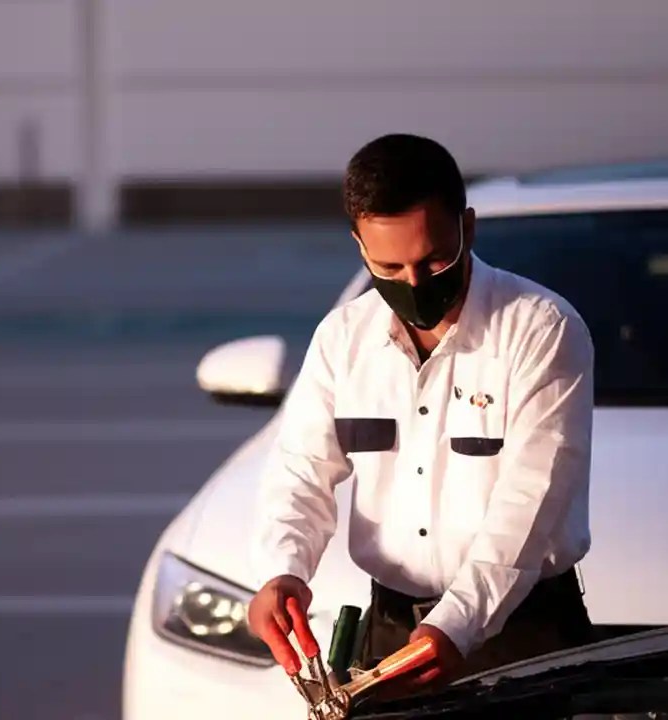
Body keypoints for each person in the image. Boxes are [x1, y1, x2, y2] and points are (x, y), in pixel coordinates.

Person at [248, 134, 596, 694]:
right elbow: (299, 470)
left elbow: (531, 502)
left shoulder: (541, 329)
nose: (414, 283)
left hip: (523, 634)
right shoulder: (342, 338)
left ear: (469, 227)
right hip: (389, 636)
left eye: (435, 259)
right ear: (360, 246)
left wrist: (456, 624)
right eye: (389, 265)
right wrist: (282, 572)